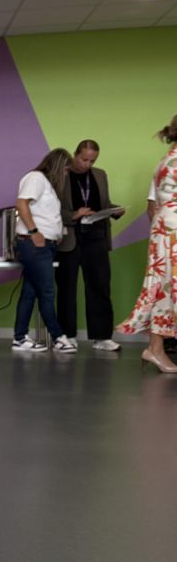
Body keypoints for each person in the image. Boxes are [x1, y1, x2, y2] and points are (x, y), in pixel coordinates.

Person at [117, 116, 177, 373]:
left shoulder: (166, 159)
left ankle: (155, 347)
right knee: (166, 286)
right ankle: (154, 348)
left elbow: (153, 208)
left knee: (163, 286)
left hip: (164, 228)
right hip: (173, 229)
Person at [57, 140, 123, 351]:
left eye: (92, 160)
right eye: (83, 159)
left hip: (96, 237)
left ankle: (102, 337)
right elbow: (50, 210)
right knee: (67, 288)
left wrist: (114, 210)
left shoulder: (100, 175)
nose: (87, 164)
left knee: (100, 286)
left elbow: (102, 204)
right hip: (70, 237)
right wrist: (74, 215)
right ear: (75, 155)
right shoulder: (60, 175)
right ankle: (67, 335)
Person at [12, 149, 78, 353]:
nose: (66, 175)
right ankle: (59, 337)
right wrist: (34, 232)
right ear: (59, 166)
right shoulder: (36, 178)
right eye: (66, 170)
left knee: (30, 292)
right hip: (35, 245)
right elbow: (21, 204)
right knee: (47, 292)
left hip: (45, 246)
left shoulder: (46, 185)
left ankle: (20, 337)